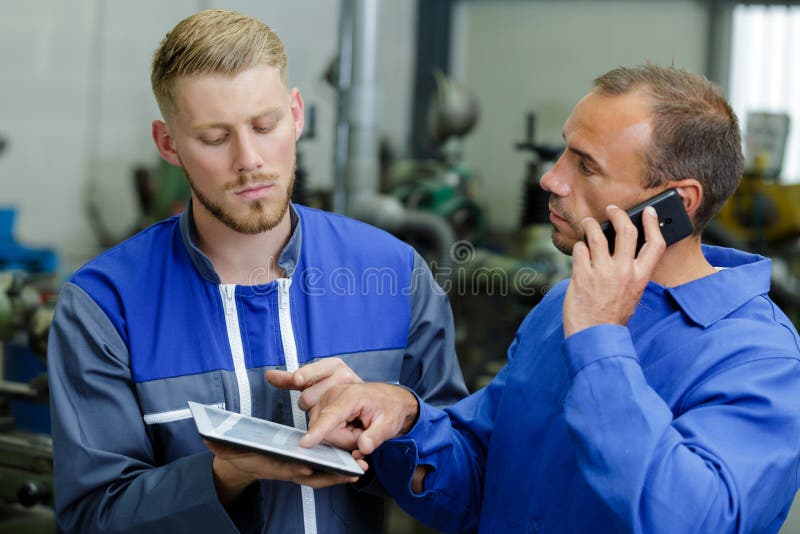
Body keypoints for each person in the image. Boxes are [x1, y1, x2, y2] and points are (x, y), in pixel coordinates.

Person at [298, 65, 800, 533]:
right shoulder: (563, 304)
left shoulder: (759, 358)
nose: (551, 179)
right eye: (564, 153)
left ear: (676, 205)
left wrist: (600, 341)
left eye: (586, 166)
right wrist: (403, 417)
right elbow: (482, 473)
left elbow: (690, 519)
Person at [47, 9, 467, 534]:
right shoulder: (105, 306)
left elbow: (465, 485)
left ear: (296, 114)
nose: (249, 160)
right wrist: (224, 474)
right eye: (214, 138)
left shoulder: (393, 274)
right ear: (168, 144)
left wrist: (402, 412)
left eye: (265, 126)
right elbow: (92, 519)